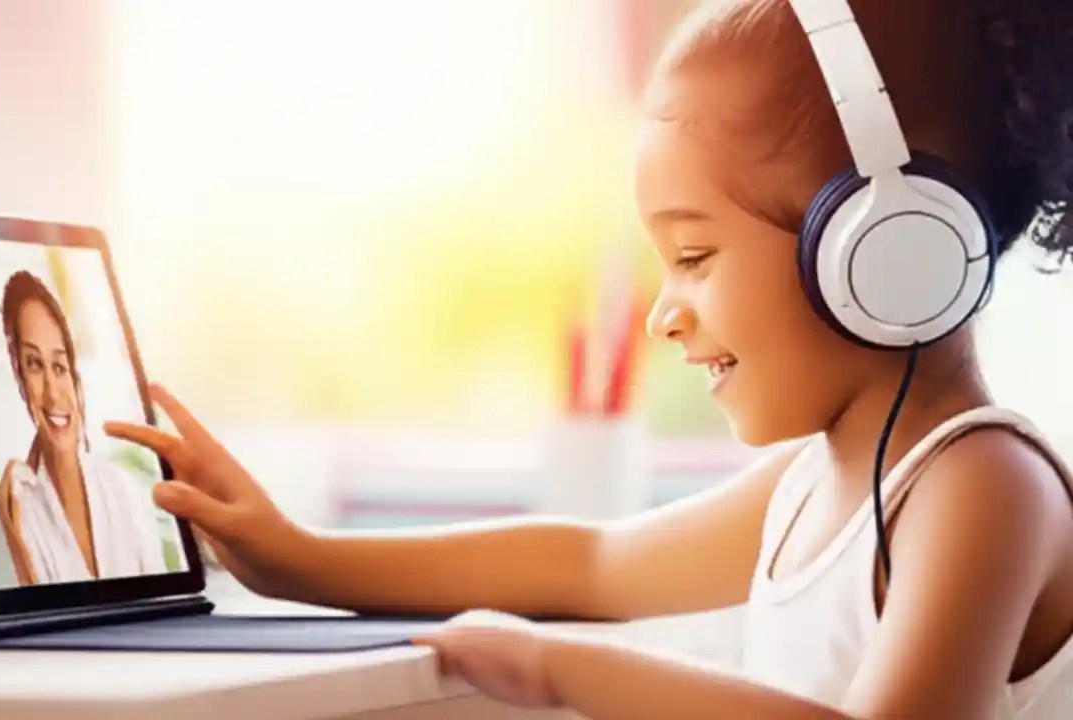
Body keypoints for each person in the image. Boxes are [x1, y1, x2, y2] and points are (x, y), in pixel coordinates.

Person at [105, 1, 1072, 717]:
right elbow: (590, 563)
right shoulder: (814, 485)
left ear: (885, 242)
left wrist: (563, 670)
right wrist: (299, 558)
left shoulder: (984, 488)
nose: (664, 314)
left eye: (694, 258)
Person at [0, 270, 167, 586]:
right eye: (34, 365)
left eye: (59, 367)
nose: (51, 391)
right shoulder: (23, 508)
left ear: (75, 379)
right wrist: (8, 514)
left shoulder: (123, 491)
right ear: (19, 377)